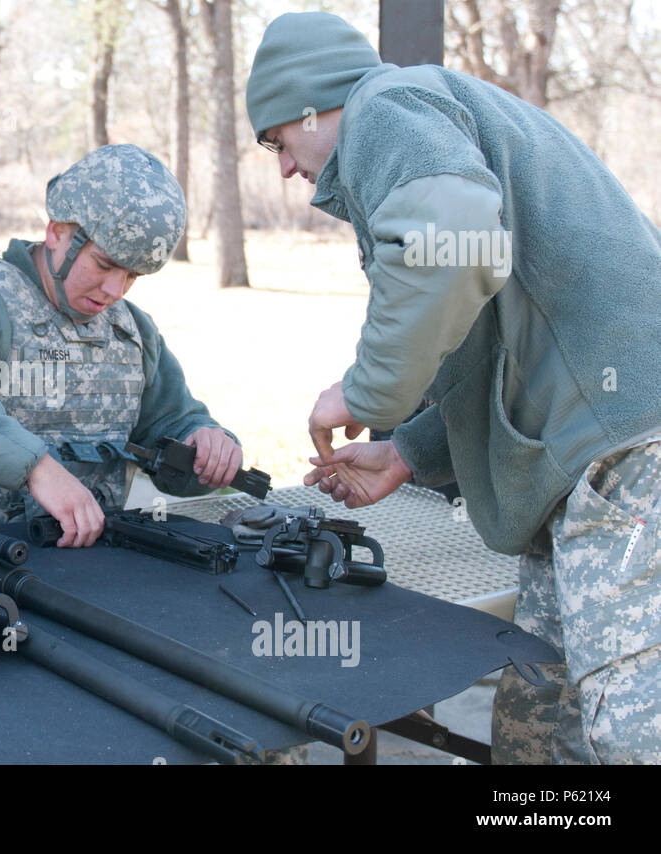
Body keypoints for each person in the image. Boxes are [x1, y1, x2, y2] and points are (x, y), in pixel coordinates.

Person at [246, 12, 661, 763]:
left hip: (630, 458)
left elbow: (452, 245)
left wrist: (363, 393)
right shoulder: (431, 122)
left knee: (632, 730)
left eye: (276, 139)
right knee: (541, 714)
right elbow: (497, 339)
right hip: (586, 461)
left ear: (311, 104)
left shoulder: (386, 107)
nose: (281, 167)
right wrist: (406, 450)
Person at [0, 144, 244, 545]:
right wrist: (34, 466)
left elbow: (171, 422)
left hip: (75, 574)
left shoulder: (132, 331)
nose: (114, 290)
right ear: (58, 232)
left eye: (133, 276)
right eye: (105, 264)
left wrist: (205, 442)